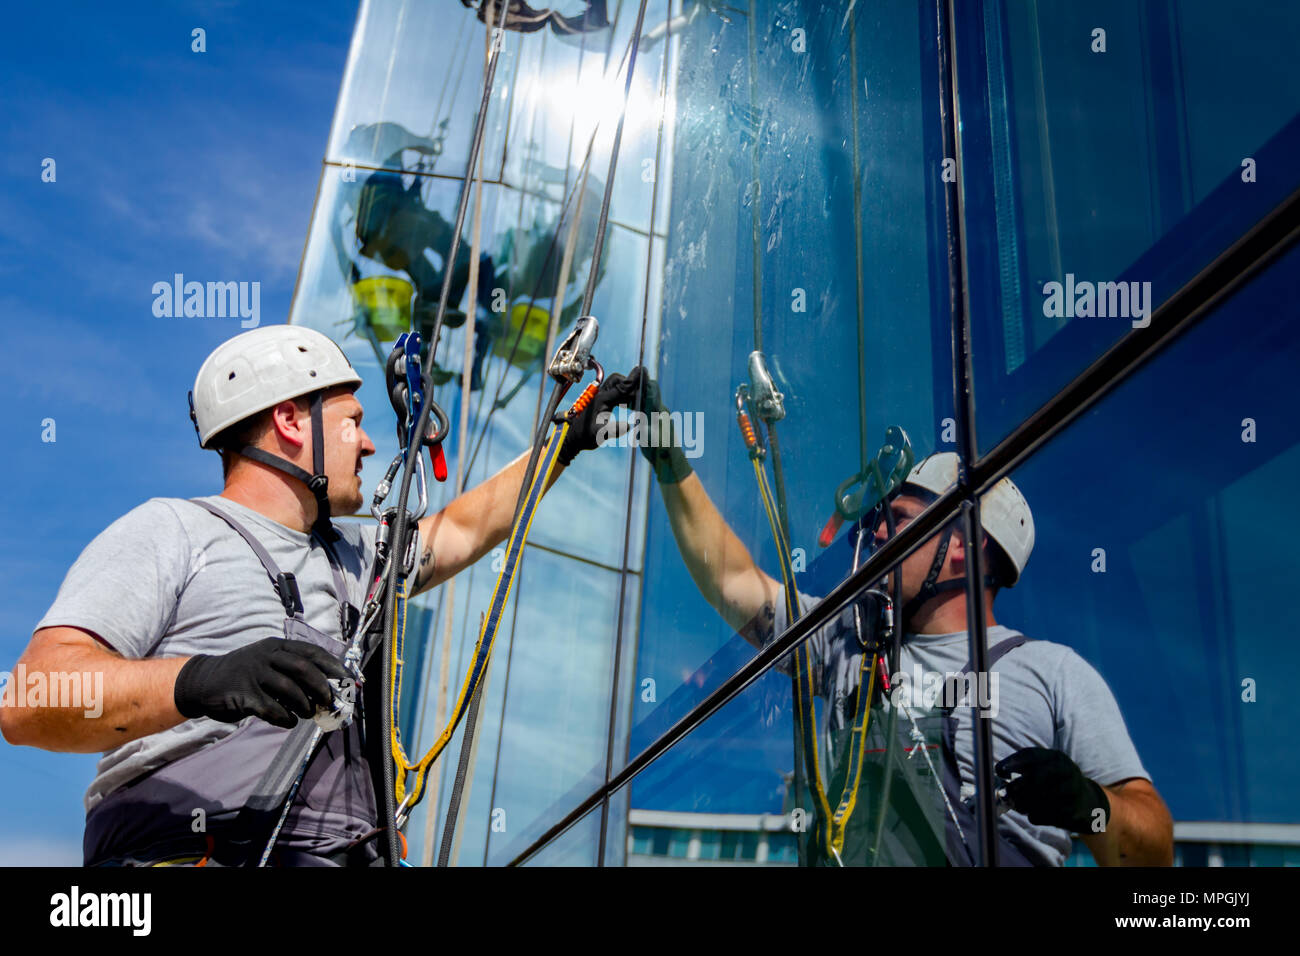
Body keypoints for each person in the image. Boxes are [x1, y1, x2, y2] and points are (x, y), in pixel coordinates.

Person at [0, 325, 638, 866]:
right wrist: (200, 681)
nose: (368, 443)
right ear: (289, 421)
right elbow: (30, 700)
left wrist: (561, 443)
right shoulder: (174, 531)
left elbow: (462, 529)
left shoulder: (355, 560)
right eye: (353, 422)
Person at [626, 369, 1174, 866]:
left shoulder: (1054, 674)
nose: (880, 532)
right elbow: (734, 583)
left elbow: (1152, 856)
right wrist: (670, 460)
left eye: (903, 519)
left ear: (963, 547)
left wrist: (1091, 807)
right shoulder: (849, 647)